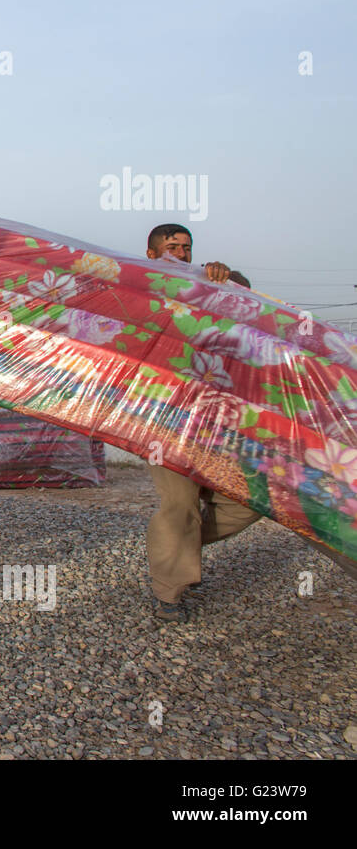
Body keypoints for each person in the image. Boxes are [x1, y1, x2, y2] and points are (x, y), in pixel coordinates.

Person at [143, 223, 261, 623]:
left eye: (187, 248)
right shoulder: (148, 289)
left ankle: (174, 550)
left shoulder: (208, 289)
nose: (182, 254)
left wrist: (222, 280)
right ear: (153, 254)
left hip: (219, 425)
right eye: (172, 248)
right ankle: (169, 590)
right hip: (166, 422)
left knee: (252, 499)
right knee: (180, 506)